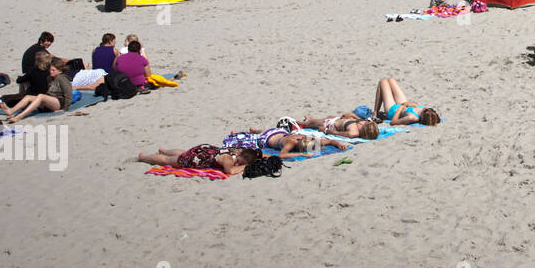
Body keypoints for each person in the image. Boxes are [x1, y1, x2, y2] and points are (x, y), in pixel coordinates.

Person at [0, 53, 73, 122]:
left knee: (40, 96)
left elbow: (68, 94)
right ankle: (11, 111)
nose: (51, 71)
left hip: (59, 102)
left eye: (53, 70)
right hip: (50, 100)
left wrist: (64, 109)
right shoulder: (49, 78)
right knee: (28, 97)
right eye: (50, 69)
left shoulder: (62, 78)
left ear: (60, 71)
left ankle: (19, 116)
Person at [137, 145, 282, 178]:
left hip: (204, 150)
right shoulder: (228, 159)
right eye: (240, 162)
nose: (238, 164)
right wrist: (245, 167)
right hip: (194, 159)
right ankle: (144, 157)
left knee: (183, 152)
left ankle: (164, 149)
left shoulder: (238, 150)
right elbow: (229, 171)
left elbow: (257, 154)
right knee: (168, 160)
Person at [372, 78, 442, 126]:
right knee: (391, 80)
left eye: (425, 110)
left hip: (392, 111)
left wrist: (400, 108)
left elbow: (393, 122)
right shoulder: (425, 110)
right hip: (404, 106)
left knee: (383, 81)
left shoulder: (412, 117)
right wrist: (409, 104)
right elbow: (417, 105)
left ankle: (375, 113)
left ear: (423, 116)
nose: (424, 108)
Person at [298, 112, 380, 139]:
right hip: (337, 119)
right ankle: (309, 119)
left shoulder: (354, 132)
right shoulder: (364, 122)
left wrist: (326, 130)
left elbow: (337, 133)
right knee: (314, 121)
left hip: (329, 124)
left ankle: (302, 121)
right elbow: (354, 116)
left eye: (369, 122)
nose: (368, 121)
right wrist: (349, 116)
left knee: (306, 124)